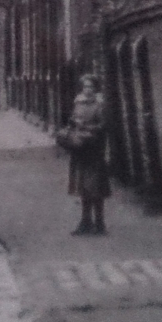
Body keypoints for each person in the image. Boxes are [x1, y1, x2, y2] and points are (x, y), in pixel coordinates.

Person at [61, 74, 110, 235]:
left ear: (95, 88)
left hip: (94, 150)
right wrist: (73, 123)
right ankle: (85, 221)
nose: (87, 90)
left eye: (90, 86)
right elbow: (73, 119)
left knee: (96, 188)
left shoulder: (100, 104)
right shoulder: (78, 102)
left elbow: (103, 126)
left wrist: (87, 128)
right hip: (80, 149)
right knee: (83, 188)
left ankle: (100, 222)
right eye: (85, 86)